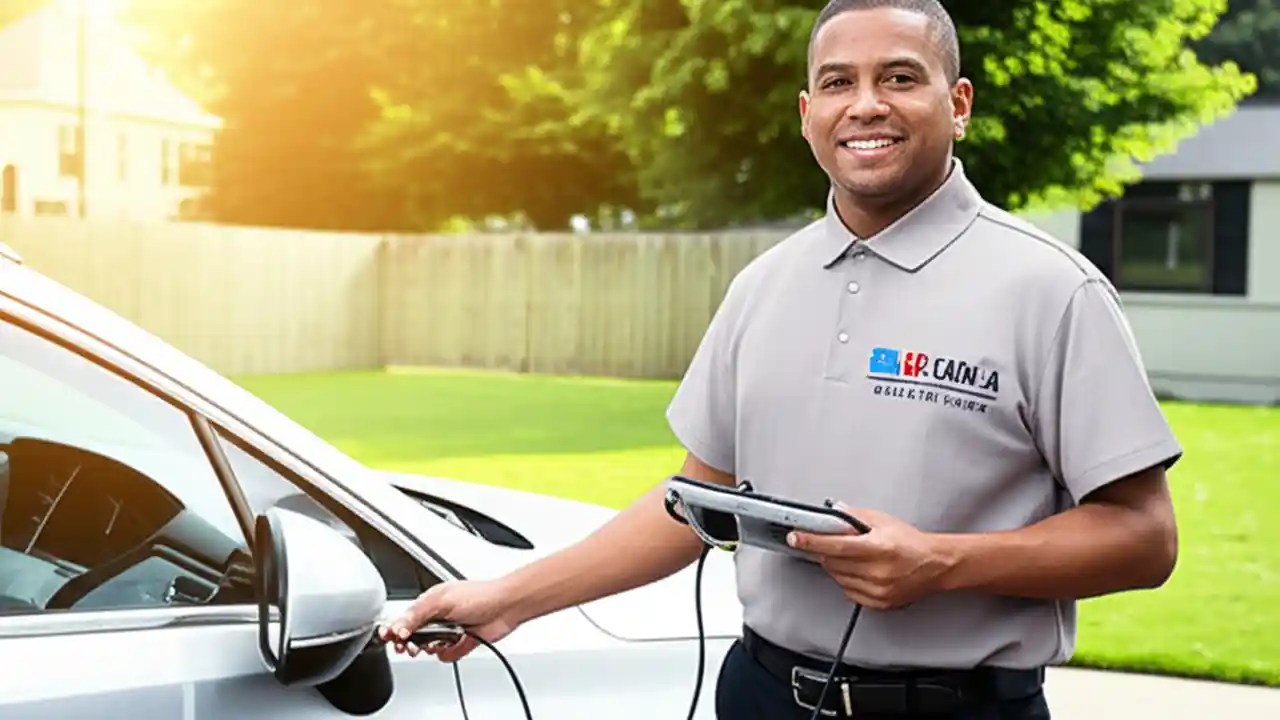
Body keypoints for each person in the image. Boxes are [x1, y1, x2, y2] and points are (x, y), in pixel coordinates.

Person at [380, 0, 1182, 717]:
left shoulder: (1052, 291)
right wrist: (507, 598)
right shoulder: (762, 286)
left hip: (959, 707)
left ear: (958, 103)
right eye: (838, 82)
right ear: (808, 113)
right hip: (761, 695)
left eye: (900, 77)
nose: (865, 104)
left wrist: (941, 563)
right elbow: (698, 500)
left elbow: (1145, 538)